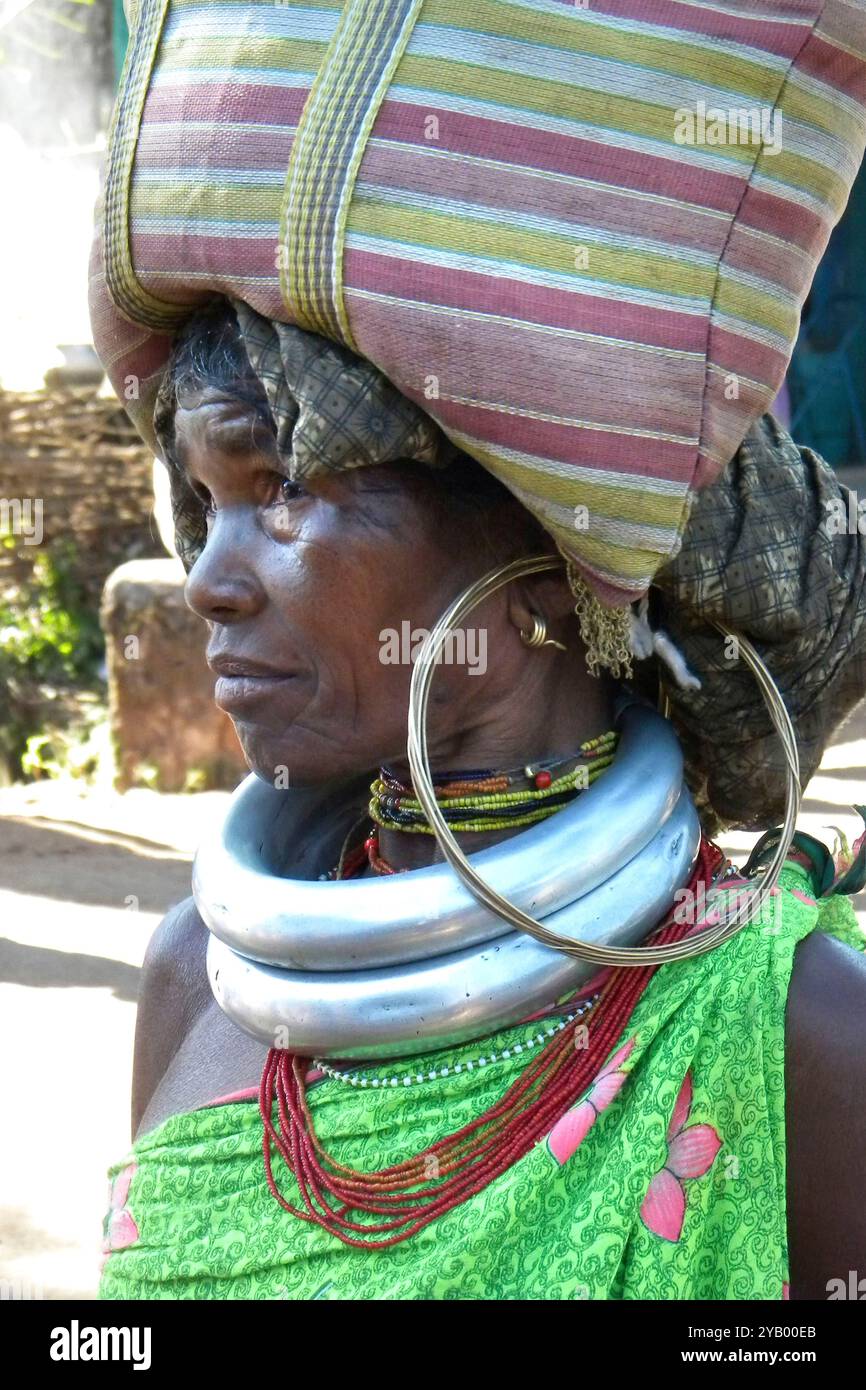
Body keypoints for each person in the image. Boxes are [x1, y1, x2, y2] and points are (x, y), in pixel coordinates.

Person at [98, 301, 866, 1301]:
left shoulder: (793, 1034)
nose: (204, 580)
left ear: (548, 557)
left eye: (280, 490)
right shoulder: (199, 976)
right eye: (208, 500)